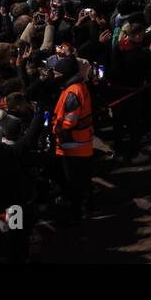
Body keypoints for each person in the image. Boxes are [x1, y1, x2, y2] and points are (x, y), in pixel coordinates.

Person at [51, 54, 94, 221]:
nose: (54, 76)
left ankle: (78, 213)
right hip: (82, 143)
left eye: (56, 73)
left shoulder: (71, 92)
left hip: (73, 145)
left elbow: (69, 121)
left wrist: (56, 128)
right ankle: (86, 208)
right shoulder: (78, 86)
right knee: (84, 180)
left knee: (75, 182)